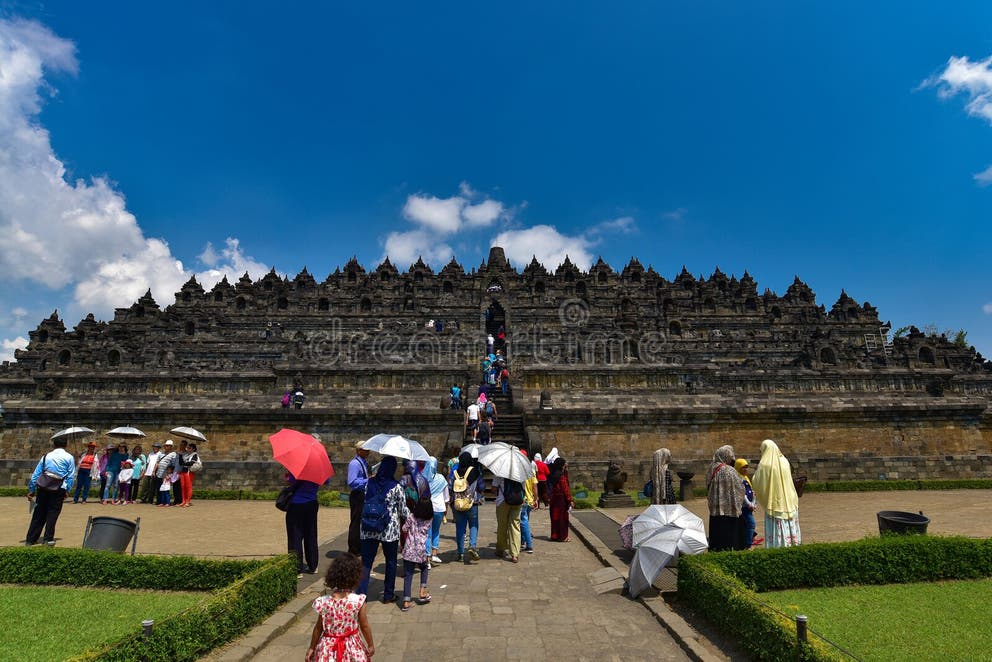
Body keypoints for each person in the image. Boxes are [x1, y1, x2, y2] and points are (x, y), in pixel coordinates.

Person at [358, 456, 409, 603]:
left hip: (369, 527)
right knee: (391, 561)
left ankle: (361, 595)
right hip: (389, 530)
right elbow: (403, 511)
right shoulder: (396, 486)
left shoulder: (369, 483)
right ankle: (388, 594)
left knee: (366, 562)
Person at [305, 553, 373, 662]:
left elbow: (318, 627)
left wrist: (312, 648)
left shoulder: (324, 602)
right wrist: (370, 644)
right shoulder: (358, 601)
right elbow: (364, 626)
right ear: (356, 577)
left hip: (327, 649)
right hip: (352, 647)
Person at [25, 436, 76, 546]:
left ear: (54, 445)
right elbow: (70, 476)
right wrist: (67, 489)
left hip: (43, 487)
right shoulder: (69, 457)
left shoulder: (46, 456)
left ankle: (30, 539)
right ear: (66, 445)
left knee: (39, 513)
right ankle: (47, 539)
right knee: (53, 513)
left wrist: (31, 489)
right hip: (58, 488)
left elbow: (36, 475)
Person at [752, 439, 802, 548]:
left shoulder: (765, 465)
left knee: (776, 525)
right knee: (790, 523)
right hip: (789, 500)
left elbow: (756, 483)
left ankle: (777, 546)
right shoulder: (784, 461)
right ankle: (793, 543)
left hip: (774, 502)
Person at [399, 460, 433, 612]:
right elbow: (427, 498)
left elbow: (405, 528)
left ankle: (406, 601)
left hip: (408, 547)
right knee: (424, 567)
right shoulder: (423, 480)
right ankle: (422, 591)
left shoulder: (403, 480)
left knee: (408, 574)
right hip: (420, 549)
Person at [706, 445, 745, 552]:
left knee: (717, 534)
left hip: (715, 509)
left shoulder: (711, 468)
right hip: (729, 510)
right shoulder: (729, 470)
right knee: (729, 538)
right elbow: (740, 489)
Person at [449, 451, 485, 562]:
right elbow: (481, 486)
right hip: (471, 503)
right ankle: (472, 546)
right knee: (473, 525)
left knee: (460, 528)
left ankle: (460, 553)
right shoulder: (474, 471)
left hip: (458, 504)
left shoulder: (454, 472)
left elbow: (450, 487)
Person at [286, 471, 322, 574]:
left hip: (297, 504)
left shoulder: (297, 469)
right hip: (312, 502)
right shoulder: (317, 468)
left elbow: (291, 481)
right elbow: (325, 481)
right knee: (311, 534)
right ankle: (313, 565)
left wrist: (288, 476)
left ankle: (297, 568)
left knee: (295, 536)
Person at [347, 440, 371, 555]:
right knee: (356, 521)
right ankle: (353, 548)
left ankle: (359, 545)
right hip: (357, 494)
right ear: (359, 451)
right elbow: (352, 482)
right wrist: (368, 480)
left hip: (362, 494)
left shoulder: (363, 462)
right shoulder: (355, 464)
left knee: (360, 521)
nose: (368, 452)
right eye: (366, 450)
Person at [493, 474, 523, 563]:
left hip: (502, 501)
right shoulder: (520, 472)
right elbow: (523, 488)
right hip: (517, 501)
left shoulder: (500, 472)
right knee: (515, 527)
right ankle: (515, 554)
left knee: (502, 526)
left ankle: (501, 549)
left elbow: (494, 488)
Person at [424, 457, 448, 565]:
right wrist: (446, 509)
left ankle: (427, 558)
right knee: (436, 531)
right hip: (439, 508)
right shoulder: (441, 478)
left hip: (427, 507)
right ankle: (434, 553)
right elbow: (446, 497)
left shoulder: (423, 478)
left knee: (427, 534)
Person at [547, 457, 573, 542]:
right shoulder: (561, 476)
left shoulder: (553, 474)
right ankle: (563, 536)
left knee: (555, 518)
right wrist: (570, 500)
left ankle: (555, 535)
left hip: (554, 498)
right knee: (562, 518)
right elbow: (565, 488)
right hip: (561, 499)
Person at [735, 458, 758, 549]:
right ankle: (747, 545)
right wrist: (749, 504)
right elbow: (742, 494)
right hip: (744, 507)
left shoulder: (745, 477)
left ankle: (747, 541)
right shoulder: (738, 478)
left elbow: (751, 491)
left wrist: (754, 503)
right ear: (738, 468)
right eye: (743, 467)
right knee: (751, 523)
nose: (746, 469)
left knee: (746, 524)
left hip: (749, 506)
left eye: (746, 467)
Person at [520, 450, 537, 554]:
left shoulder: (518, 470)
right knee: (524, 521)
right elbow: (535, 486)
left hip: (523, 499)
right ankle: (523, 540)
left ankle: (529, 544)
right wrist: (536, 498)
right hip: (530, 499)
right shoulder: (530, 469)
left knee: (523, 521)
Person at [179, 443, 199, 507]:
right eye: (187, 448)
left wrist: (184, 463)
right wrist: (180, 455)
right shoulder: (185, 455)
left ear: (193, 449)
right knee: (183, 487)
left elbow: (191, 463)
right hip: (183, 472)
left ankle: (188, 501)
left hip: (189, 472)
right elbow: (180, 463)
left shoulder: (195, 455)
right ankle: (183, 501)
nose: (188, 449)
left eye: (189, 448)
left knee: (188, 487)